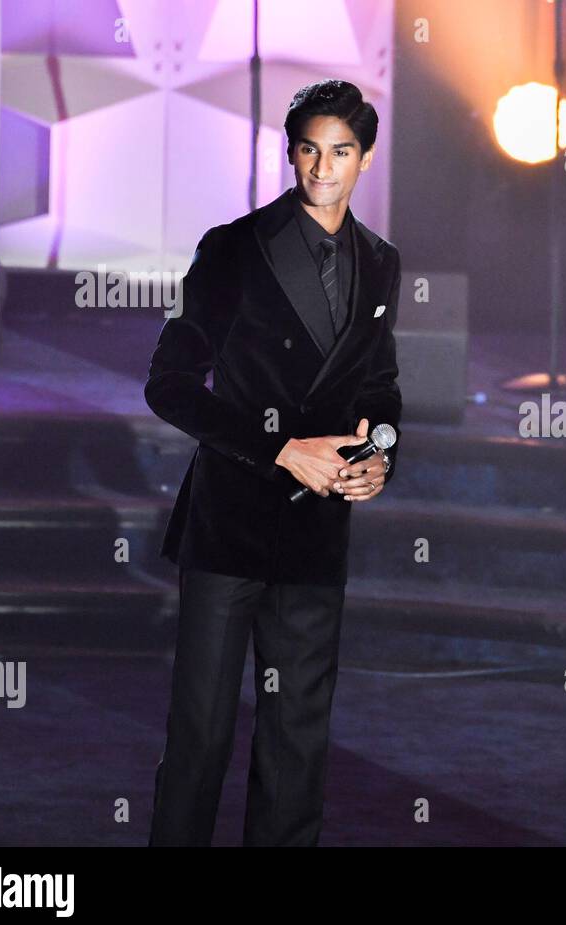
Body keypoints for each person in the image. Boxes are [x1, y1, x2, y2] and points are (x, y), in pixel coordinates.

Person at [144, 79, 402, 846]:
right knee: (200, 738)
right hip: (229, 528)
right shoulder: (234, 247)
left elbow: (380, 386)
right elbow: (170, 383)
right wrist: (281, 449)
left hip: (318, 533)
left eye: (342, 151)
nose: (324, 167)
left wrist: (379, 456)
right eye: (310, 149)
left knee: (298, 746)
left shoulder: (383, 263)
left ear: (366, 158)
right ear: (291, 153)